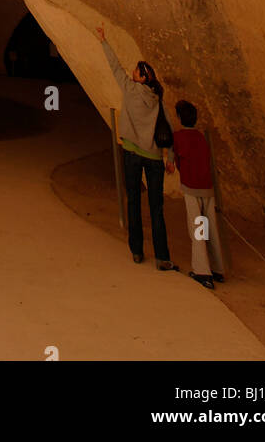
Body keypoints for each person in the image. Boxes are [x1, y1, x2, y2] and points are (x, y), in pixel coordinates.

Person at [96, 24, 178, 270]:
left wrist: (103, 40)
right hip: (154, 156)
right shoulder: (157, 98)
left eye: (137, 71)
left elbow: (114, 66)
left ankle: (137, 251)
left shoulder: (130, 89)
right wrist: (170, 157)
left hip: (132, 152)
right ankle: (162, 256)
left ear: (142, 78)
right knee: (157, 207)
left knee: (133, 201)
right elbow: (168, 129)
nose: (133, 72)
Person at [170, 99, 225, 291]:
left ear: (179, 118)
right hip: (207, 188)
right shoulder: (201, 137)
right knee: (211, 229)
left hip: (191, 188)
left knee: (198, 230)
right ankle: (218, 268)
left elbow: (174, 162)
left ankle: (203, 272)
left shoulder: (179, 137)